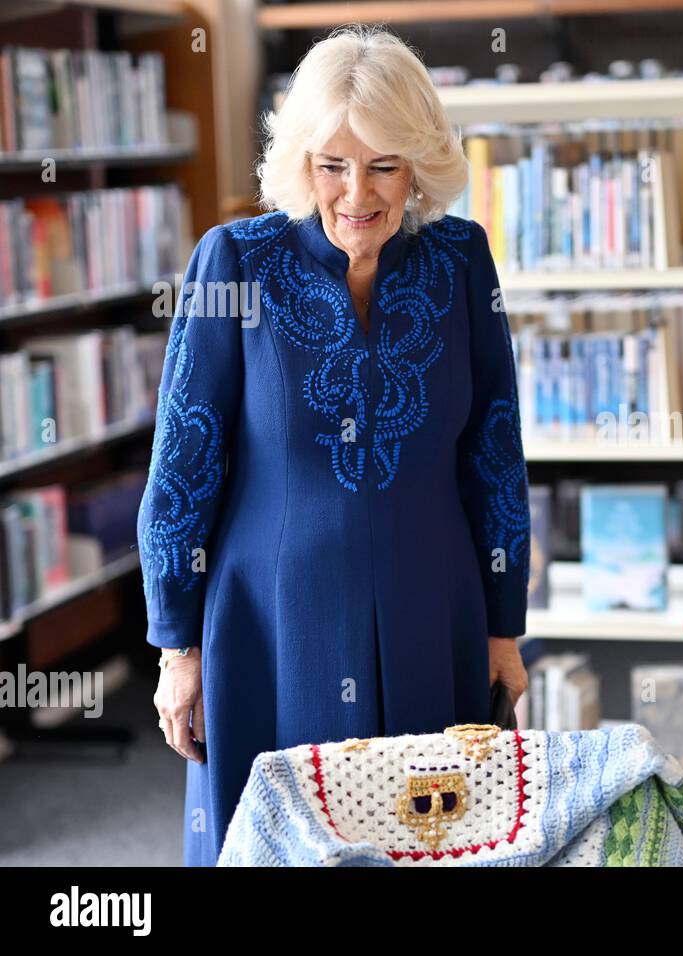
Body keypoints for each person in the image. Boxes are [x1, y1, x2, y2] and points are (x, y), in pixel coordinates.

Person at [140, 26, 530, 867]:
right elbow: (184, 461)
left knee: (434, 835)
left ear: (419, 163)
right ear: (302, 163)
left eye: (384, 164)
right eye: (333, 165)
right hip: (271, 621)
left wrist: (504, 626)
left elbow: (495, 447)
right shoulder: (232, 262)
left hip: (437, 605)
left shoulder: (463, 260)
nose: (358, 192)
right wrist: (177, 647)